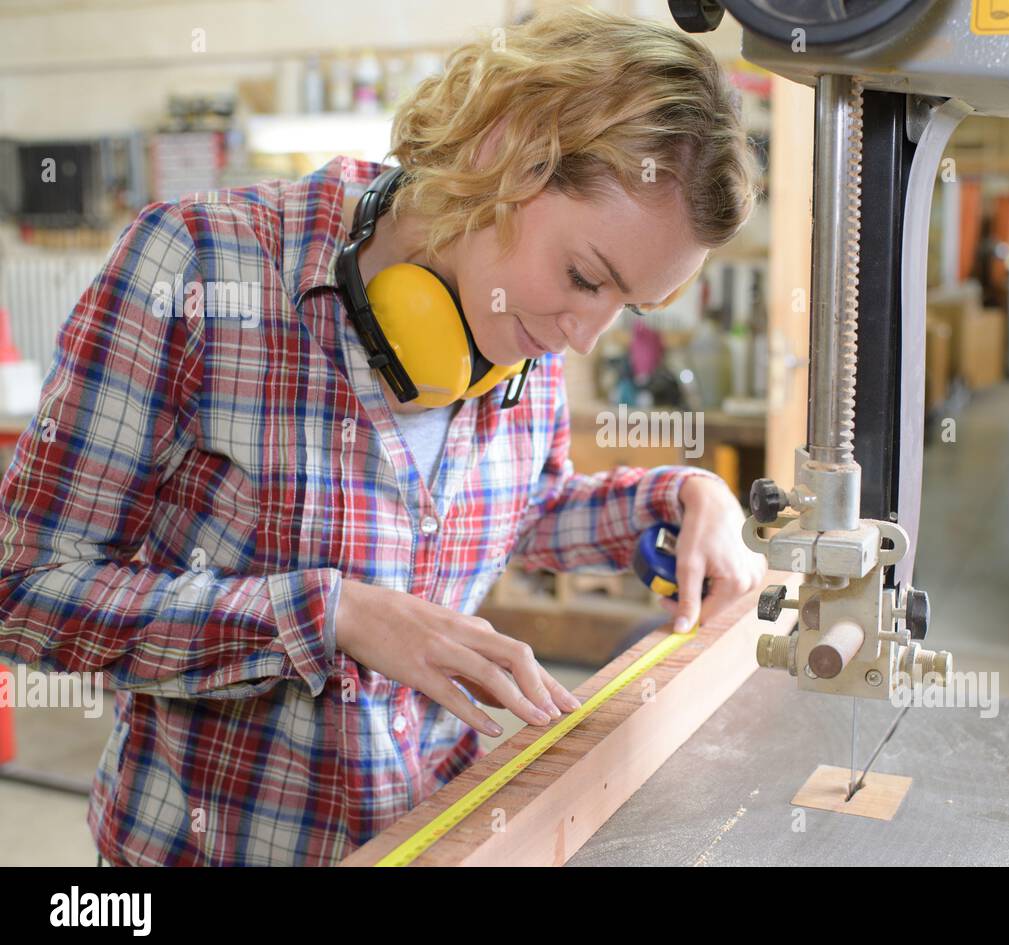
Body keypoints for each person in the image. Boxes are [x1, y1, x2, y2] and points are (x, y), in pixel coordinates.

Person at [0, 7, 765, 865]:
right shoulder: (195, 267)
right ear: (502, 151)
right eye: (586, 277)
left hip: (432, 836)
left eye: (626, 305)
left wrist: (679, 498)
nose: (585, 335)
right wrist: (328, 614)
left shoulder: (523, 320)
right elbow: (27, 593)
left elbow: (520, 510)